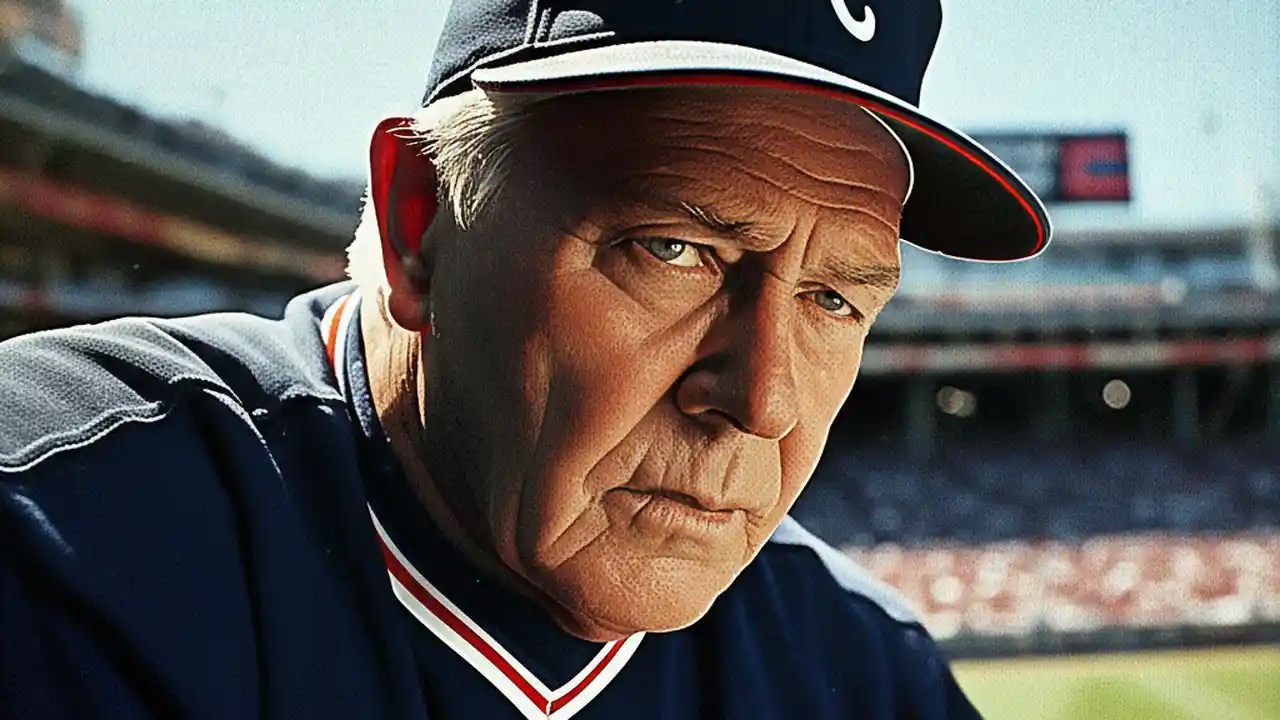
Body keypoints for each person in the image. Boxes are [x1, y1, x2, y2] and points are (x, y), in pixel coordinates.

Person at [0, 1, 1050, 718]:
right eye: (673, 250)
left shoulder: (863, 673)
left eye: (831, 298)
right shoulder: (59, 534)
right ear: (421, 224)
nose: (763, 400)